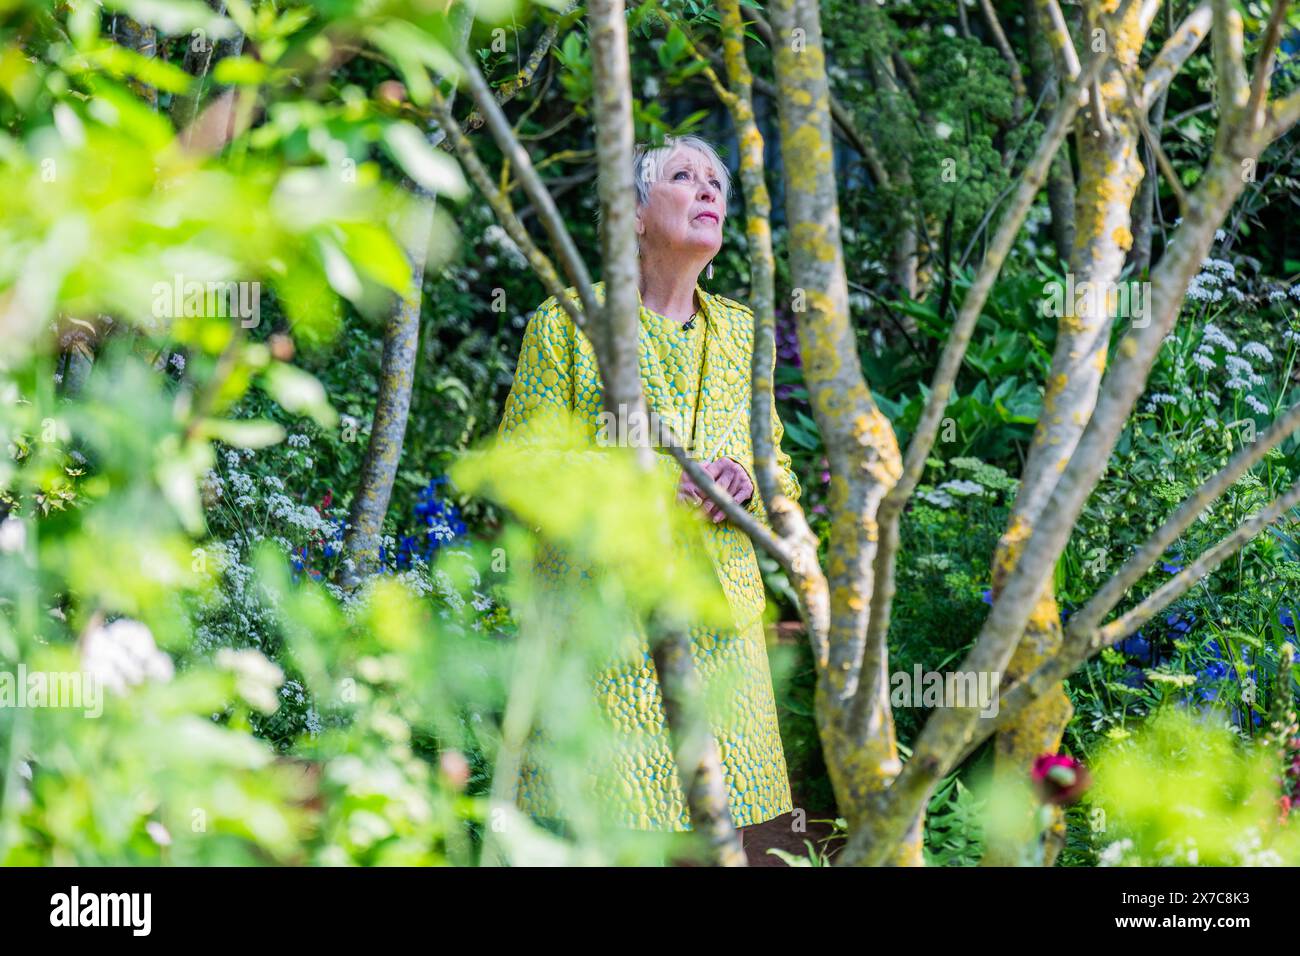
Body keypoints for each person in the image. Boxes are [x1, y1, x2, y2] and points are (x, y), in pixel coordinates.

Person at [496, 134, 802, 835]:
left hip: (723, 625)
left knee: (741, 831)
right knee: (616, 820)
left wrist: (746, 484)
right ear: (634, 214)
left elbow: (776, 461)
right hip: (608, 618)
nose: (707, 191)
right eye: (682, 177)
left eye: (714, 183)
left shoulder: (742, 334)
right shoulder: (571, 322)